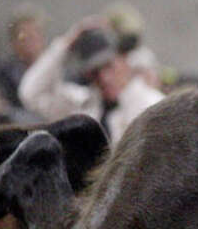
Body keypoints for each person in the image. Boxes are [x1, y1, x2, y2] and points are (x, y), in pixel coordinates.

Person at [17, 14, 163, 144]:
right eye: (95, 72)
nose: (104, 78)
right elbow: (31, 93)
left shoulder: (152, 106)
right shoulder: (81, 105)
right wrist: (67, 43)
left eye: (109, 66)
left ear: (124, 59)